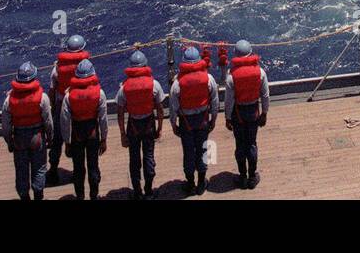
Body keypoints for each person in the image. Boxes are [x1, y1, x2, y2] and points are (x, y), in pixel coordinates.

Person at [169, 45, 219, 195]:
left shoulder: (177, 83)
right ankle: (202, 182)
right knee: (204, 149)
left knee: (188, 152)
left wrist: (174, 125)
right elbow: (215, 102)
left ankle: (190, 184)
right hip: (203, 120)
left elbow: (173, 108)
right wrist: (214, 119)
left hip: (186, 123)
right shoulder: (208, 79)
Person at [1, 61, 53, 201]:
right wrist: (50, 137)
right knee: (39, 169)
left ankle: (24, 197)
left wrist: (9, 141)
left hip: (19, 138)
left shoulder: (9, 100)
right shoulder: (42, 98)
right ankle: (38, 196)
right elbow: (48, 121)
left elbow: (6, 125)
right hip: (37, 137)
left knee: (21, 171)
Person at [116, 50, 165, 199]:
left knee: (134, 159)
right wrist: (160, 128)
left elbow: (119, 113)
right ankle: (149, 191)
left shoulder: (124, 88)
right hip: (149, 124)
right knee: (149, 156)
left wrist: (123, 134)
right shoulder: (154, 84)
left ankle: (137, 192)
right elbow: (160, 109)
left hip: (133, 126)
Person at [60, 58, 108, 200]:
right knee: (93, 165)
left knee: (78, 168)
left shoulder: (69, 95)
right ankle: (94, 195)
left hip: (76, 133)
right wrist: (104, 139)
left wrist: (67, 141)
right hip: (92, 131)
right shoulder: (100, 93)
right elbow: (103, 118)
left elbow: (64, 120)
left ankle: (80, 196)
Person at [224, 40, 270, 189]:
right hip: (253, 113)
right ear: (251, 53)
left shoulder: (231, 76)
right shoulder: (260, 72)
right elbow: (265, 95)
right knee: (251, 144)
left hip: (238, 114)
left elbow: (229, 101)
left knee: (240, 145)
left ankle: (242, 176)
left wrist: (227, 118)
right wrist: (264, 113)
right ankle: (252, 176)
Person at [47, 34, 89, 182]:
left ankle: (52, 170)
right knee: (78, 139)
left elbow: (52, 89)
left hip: (60, 104)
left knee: (57, 139)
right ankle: (79, 172)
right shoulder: (86, 66)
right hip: (80, 105)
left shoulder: (58, 67)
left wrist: (52, 107)